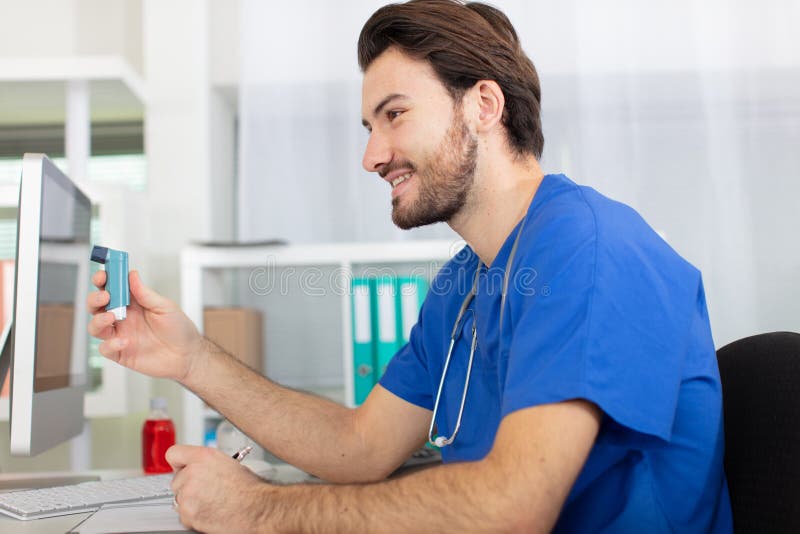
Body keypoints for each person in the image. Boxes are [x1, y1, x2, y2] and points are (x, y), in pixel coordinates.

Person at [88, 1, 732, 531]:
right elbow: (361, 446)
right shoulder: (465, 282)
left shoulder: (586, 249)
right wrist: (192, 359)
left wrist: (258, 507)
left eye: (394, 115)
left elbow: (514, 508)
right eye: (369, 126)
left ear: (483, 105)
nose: (372, 155)